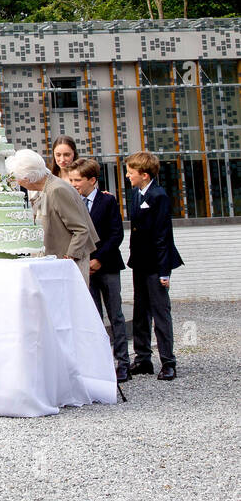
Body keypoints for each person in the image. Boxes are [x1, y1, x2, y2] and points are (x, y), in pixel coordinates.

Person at [65, 158, 129, 381]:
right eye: (71, 180)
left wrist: (99, 259)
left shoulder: (107, 201)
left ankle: (123, 362)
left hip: (107, 265)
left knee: (116, 315)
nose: (73, 184)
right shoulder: (73, 202)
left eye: (78, 180)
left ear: (92, 180)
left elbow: (116, 234)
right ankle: (99, 363)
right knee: (93, 316)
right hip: (84, 267)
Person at [125, 151, 184, 381]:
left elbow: (162, 235)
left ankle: (168, 361)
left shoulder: (159, 195)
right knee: (140, 312)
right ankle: (143, 359)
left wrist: (164, 272)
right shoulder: (136, 194)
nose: (128, 176)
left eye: (131, 173)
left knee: (161, 313)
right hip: (139, 262)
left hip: (155, 264)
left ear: (145, 175)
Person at [5, 148, 98, 285]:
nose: (18, 183)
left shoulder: (56, 189)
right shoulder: (47, 188)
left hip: (66, 266)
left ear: (28, 178)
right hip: (56, 263)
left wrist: (69, 257)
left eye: (17, 178)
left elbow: (80, 229)